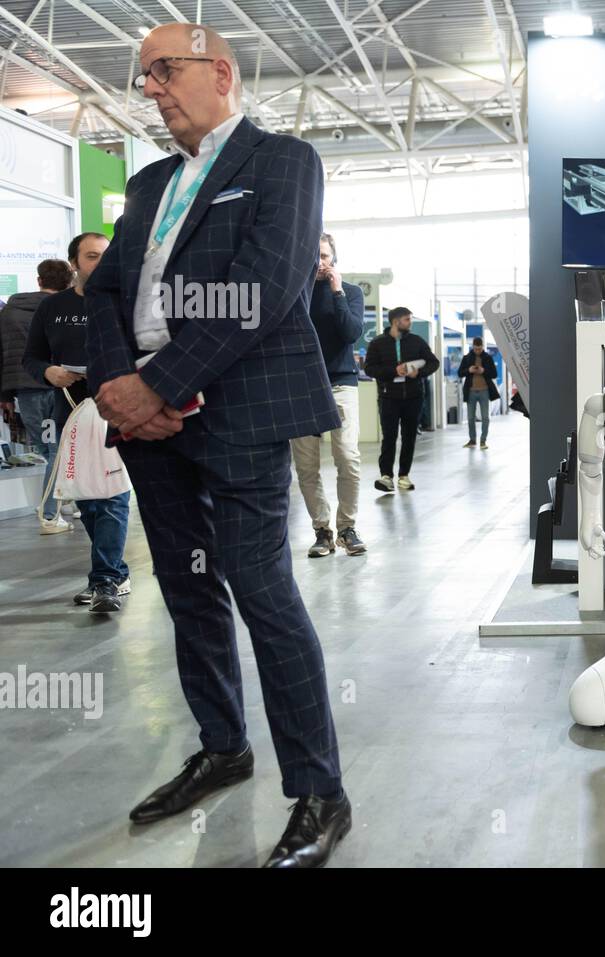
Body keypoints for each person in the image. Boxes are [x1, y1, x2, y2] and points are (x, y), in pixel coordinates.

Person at [84, 24, 350, 866]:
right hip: (150, 421)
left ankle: (319, 790)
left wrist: (159, 384)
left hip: (238, 407)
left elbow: (265, 289)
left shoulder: (282, 162)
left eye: (165, 71)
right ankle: (223, 745)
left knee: (262, 587)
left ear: (221, 73)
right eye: (145, 78)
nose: (153, 89)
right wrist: (116, 387)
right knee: (190, 590)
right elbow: (105, 295)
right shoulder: (149, 180)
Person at [24, 234, 133, 612]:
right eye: (91, 256)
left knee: (113, 496)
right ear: (74, 262)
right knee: (86, 500)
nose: (99, 263)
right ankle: (116, 572)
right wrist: (48, 371)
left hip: (117, 412)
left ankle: (104, 581)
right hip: (69, 411)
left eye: (105, 256)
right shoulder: (52, 307)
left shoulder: (127, 303)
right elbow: (32, 358)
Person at [289, 234, 366, 558]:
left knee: (347, 458)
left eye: (324, 256)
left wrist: (335, 292)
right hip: (302, 385)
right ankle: (322, 530)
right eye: (314, 256)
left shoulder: (350, 292)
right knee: (306, 466)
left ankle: (347, 527)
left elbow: (351, 332)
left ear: (334, 258)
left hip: (341, 383)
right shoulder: (295, 293)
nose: (319, 262)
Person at [1, 258, 72, 532]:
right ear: (67, 282)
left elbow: (3, 355)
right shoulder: (65, 309)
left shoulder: (10, 311)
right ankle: (51, 510)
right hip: (61, 389)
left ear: (39, 280)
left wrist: (5, 394)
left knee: (49, 447)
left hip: (27, 390)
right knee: (55, 449)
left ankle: (62, 498)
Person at [364, 306, 437, 491]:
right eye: (407, 319)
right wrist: (392, 371)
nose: (410, 323)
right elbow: (370, 369)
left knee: (409, 437)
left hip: (413, 397)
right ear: (396, 321)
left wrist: (419, 373)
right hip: (388, 397)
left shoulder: (417, 341)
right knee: (389, 437)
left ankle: (404, 475)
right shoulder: (377, 343)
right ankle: (386, 476)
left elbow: (433, 362)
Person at [457, 336, 499, 449]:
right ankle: (472, 440)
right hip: (470, 391)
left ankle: (483, 441)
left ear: (482, 347)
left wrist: (483, 371)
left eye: (479, 349)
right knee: (470, 418)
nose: (477, 351)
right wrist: (469, 370)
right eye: (476, 349)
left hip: (484, 391)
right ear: (472, 347)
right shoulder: (466, 358)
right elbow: (460, 373)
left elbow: (494, 374)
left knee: (485, 417)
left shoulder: (488, 358)